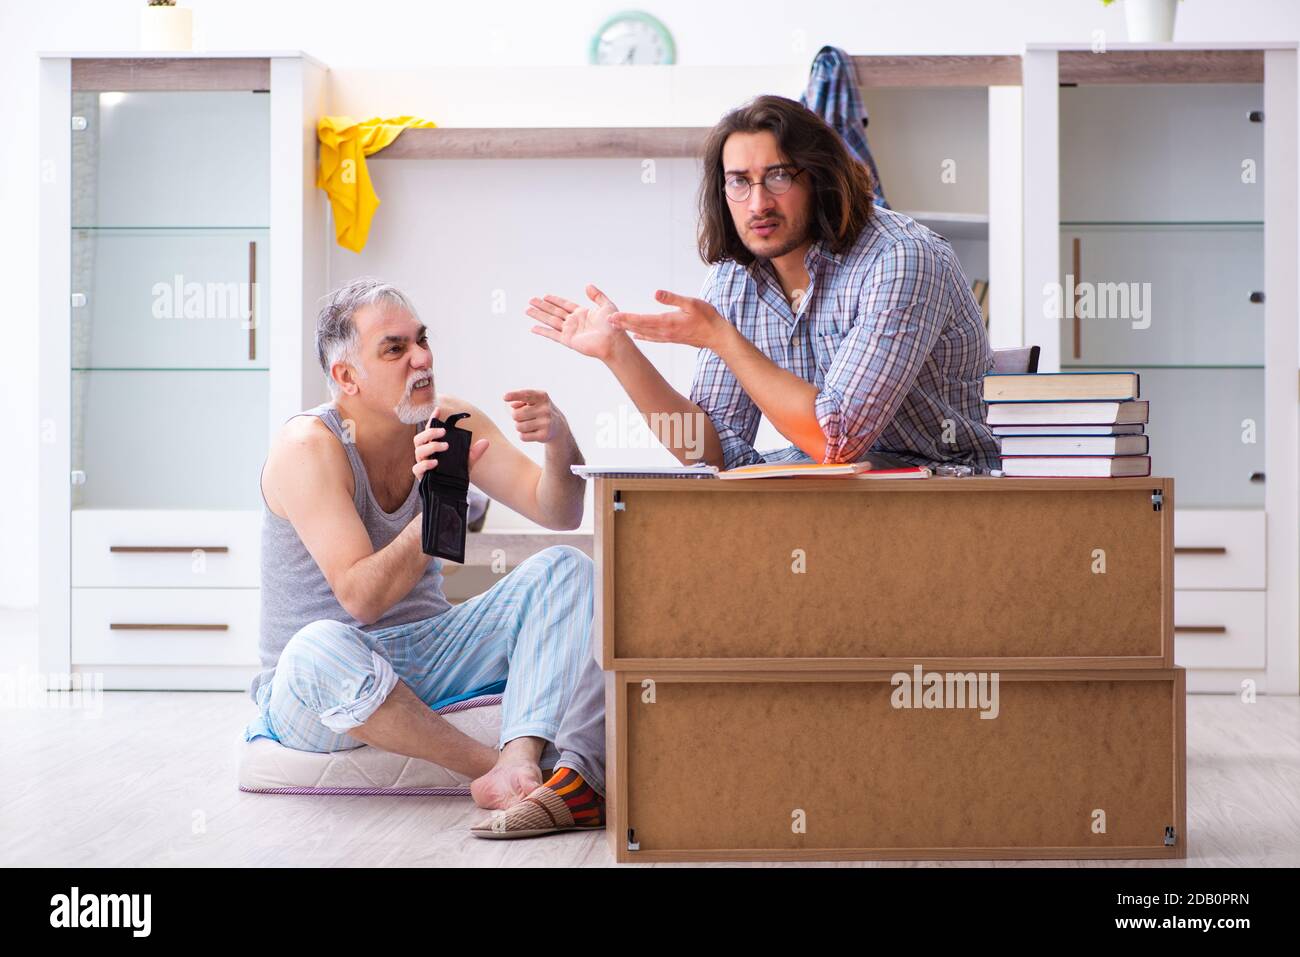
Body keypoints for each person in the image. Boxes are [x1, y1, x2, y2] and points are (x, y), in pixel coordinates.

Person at [244, 277, 607, 837]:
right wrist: (440, 505)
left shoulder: (450, 421)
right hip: (326, 678)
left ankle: (521, 753)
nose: (422, 359)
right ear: (346, 376)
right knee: (316, 646)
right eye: (395, 349)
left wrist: (560, 442)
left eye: (422, 340)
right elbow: (362, 600)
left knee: (567, 568)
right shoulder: (308, 448)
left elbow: (558, 511)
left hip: (429, 652)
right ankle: (496, 768)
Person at [526, 94, 999, 473]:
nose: (757, 204)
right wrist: (619, 353)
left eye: (777, 177)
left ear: (819, 178)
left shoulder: (900, 259)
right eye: (739, 182)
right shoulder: (734, 280)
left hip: (943, 488)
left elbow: (836, 440)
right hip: (831, 491)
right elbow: (710, 454)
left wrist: (722, 339)